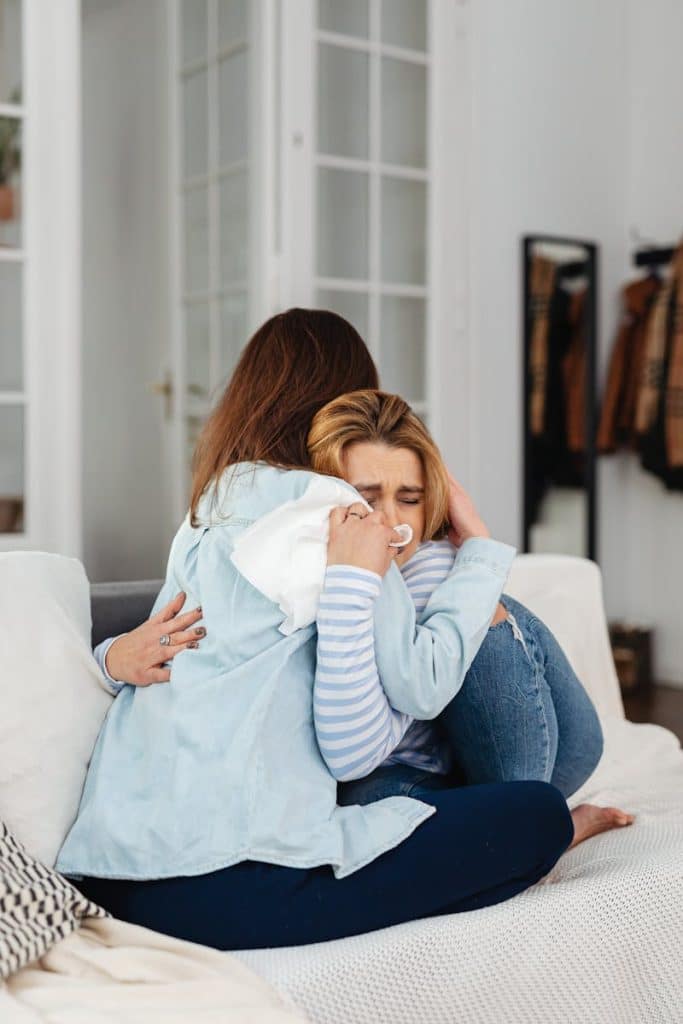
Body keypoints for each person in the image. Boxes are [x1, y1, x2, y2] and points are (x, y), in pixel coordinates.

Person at [59, 310, 619, 951]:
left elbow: (155, 644)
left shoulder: (210, 509)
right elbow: (425, 683)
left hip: (107, 873)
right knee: (535, 817)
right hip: (230, 880)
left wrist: (106, 658)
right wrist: (480, 551)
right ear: (344, 404)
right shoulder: (335, 515)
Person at [307, 390, 632, 846]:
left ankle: (527, 833)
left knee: (490, 607)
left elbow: (444, 680)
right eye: (367, 497)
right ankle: (537, 833)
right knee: (380, 818)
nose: (392, 522)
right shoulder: (320, 569)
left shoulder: (435, 562)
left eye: (410, 498)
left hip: (519, 756)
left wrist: (478, 544)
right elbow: (363, 745)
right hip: (404, 776)